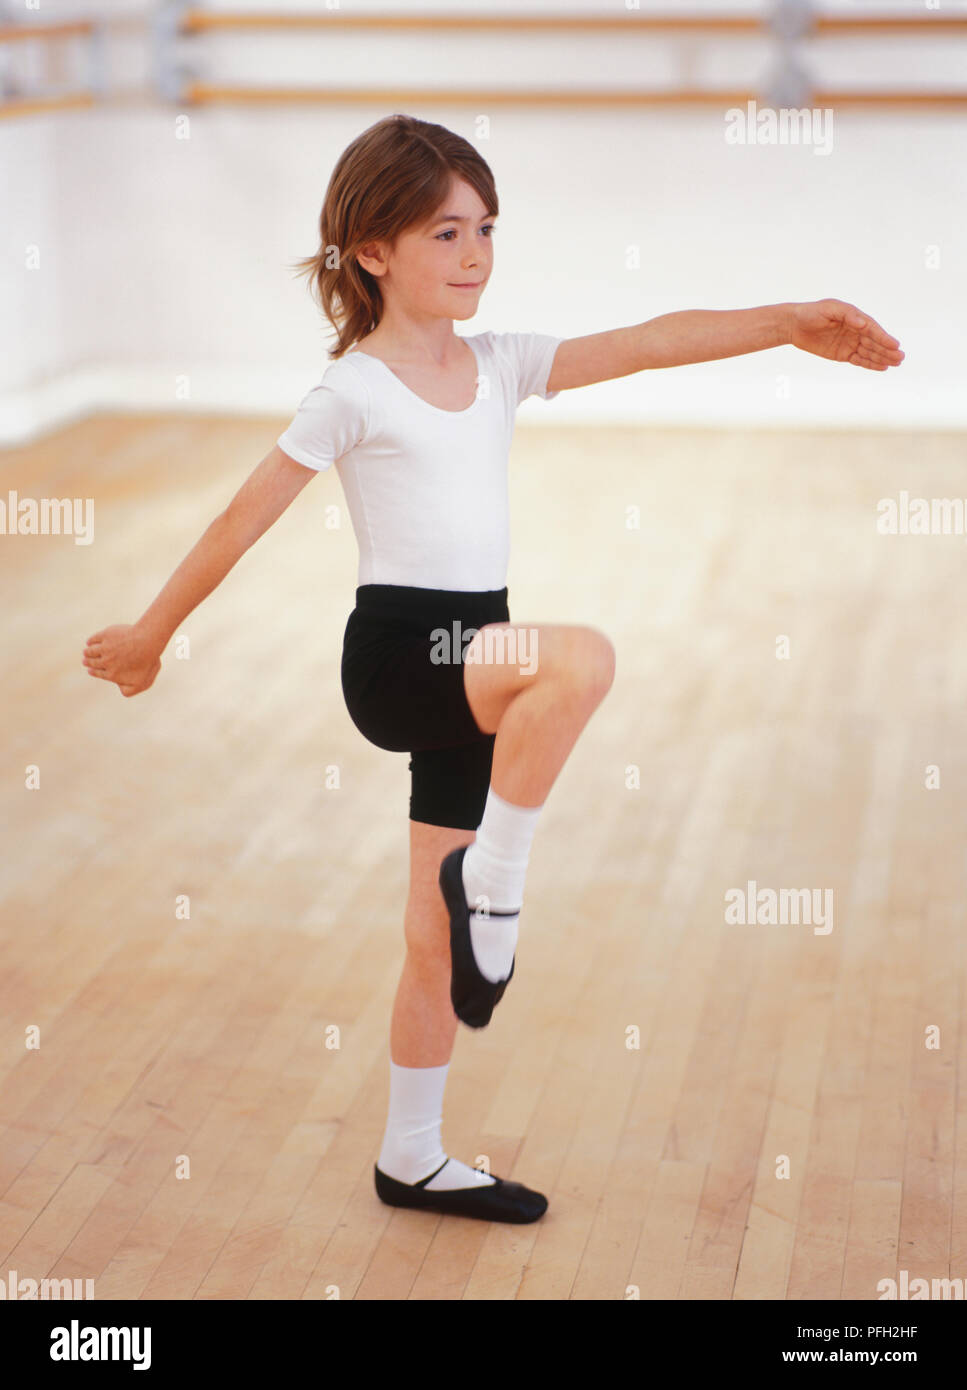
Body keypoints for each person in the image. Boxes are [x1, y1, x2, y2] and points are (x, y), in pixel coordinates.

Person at [82, 113, 904, 1226]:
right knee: (583, 658)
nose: (474, 254)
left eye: (484, 229)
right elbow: (243, 515)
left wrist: (787, 322)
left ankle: (410, 1154)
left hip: (477, 659)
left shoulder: (499, 363)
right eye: (444, 233)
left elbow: (650, 339)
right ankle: (497, 885)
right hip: (402, 658)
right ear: (371, 250)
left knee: (432, 945)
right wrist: (148, 634)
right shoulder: (353, 392)